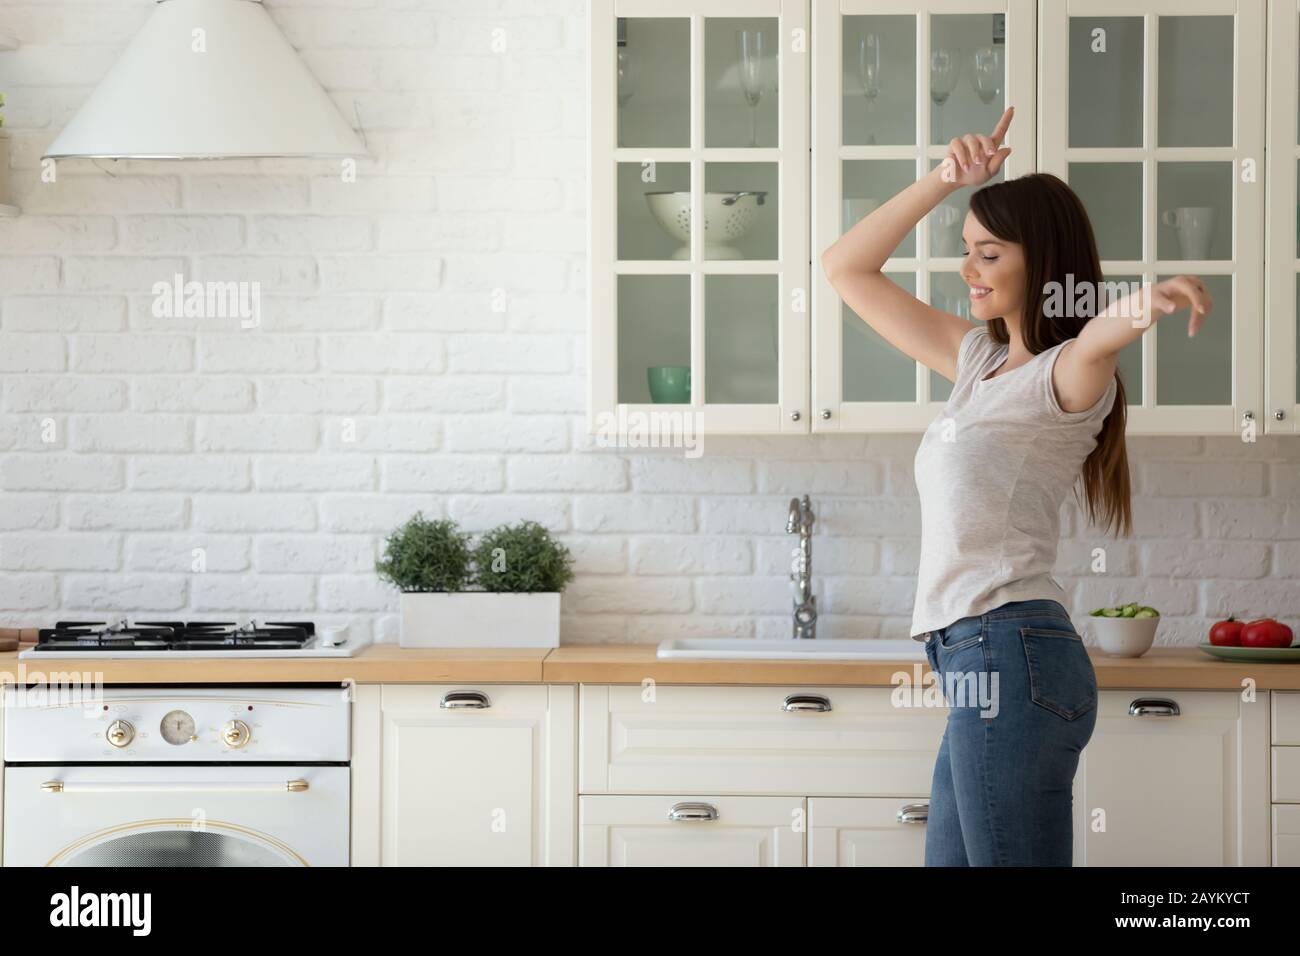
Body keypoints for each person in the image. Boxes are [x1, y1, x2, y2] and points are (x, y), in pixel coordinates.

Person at [820, 106, 1212, 866]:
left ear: (1041, 262)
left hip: (1009, 650)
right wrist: (947, 178)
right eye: (966, 251)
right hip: (972, 658)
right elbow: (844, 268)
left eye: (988, 254)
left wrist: (1139, 306)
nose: (968, 269)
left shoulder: (1060, 378)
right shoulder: (976, 362)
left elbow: (1096, 339)